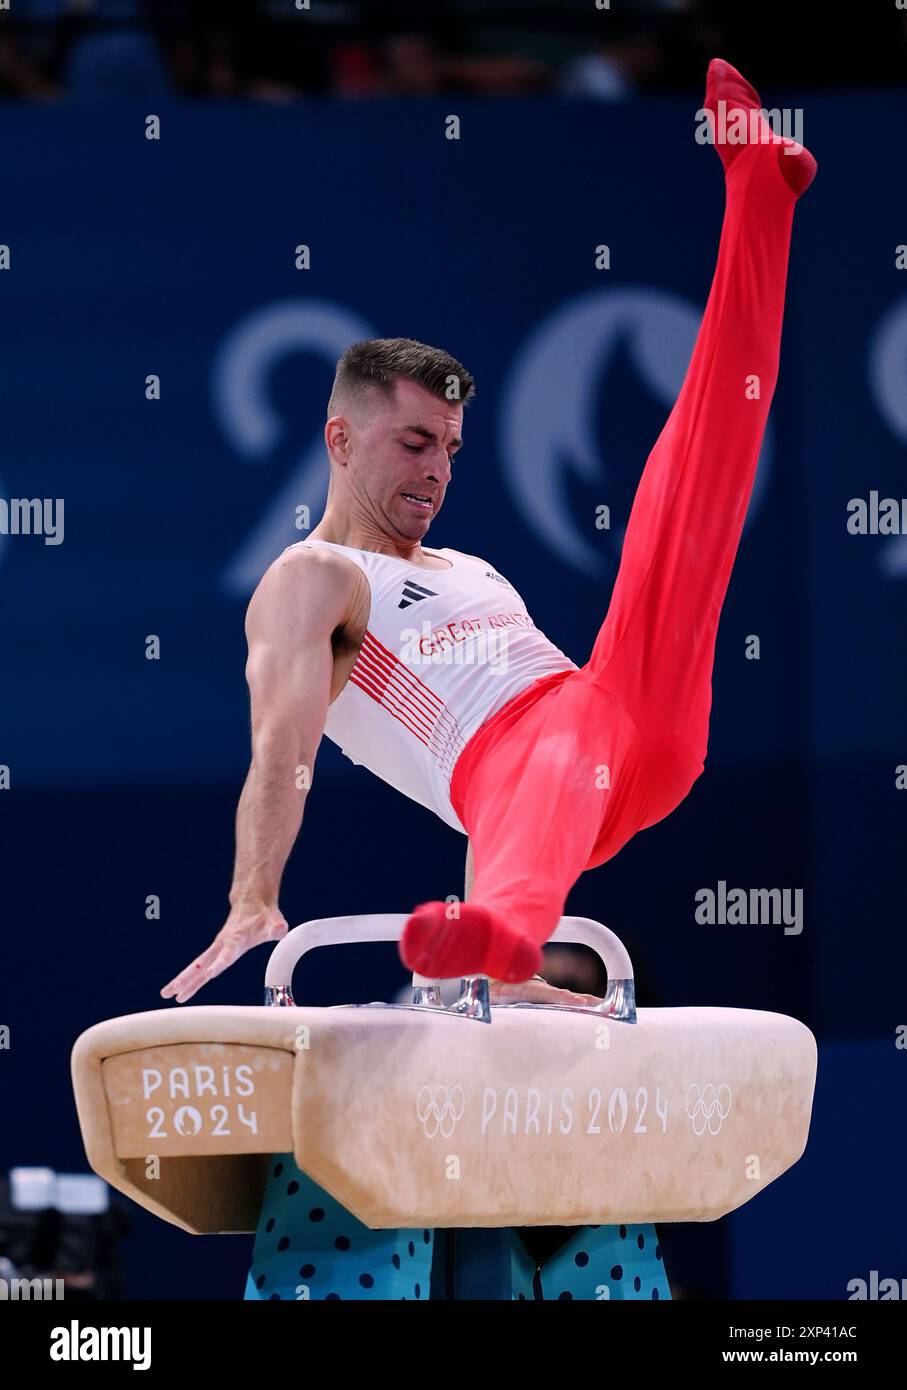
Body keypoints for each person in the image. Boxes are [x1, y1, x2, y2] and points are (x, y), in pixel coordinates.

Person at [161, 58, 816, 1005]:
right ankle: (504, 939)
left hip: (633, 734)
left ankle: (760, 200)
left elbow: (541, 753)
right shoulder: (314, 577)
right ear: (338, 439)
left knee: (692, 486)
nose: (438, 468)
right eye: (416, 441)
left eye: (454, 448)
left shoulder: (466, 564)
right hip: (535, 763)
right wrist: (251, 895)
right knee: (549, 740)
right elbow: (282, 744)